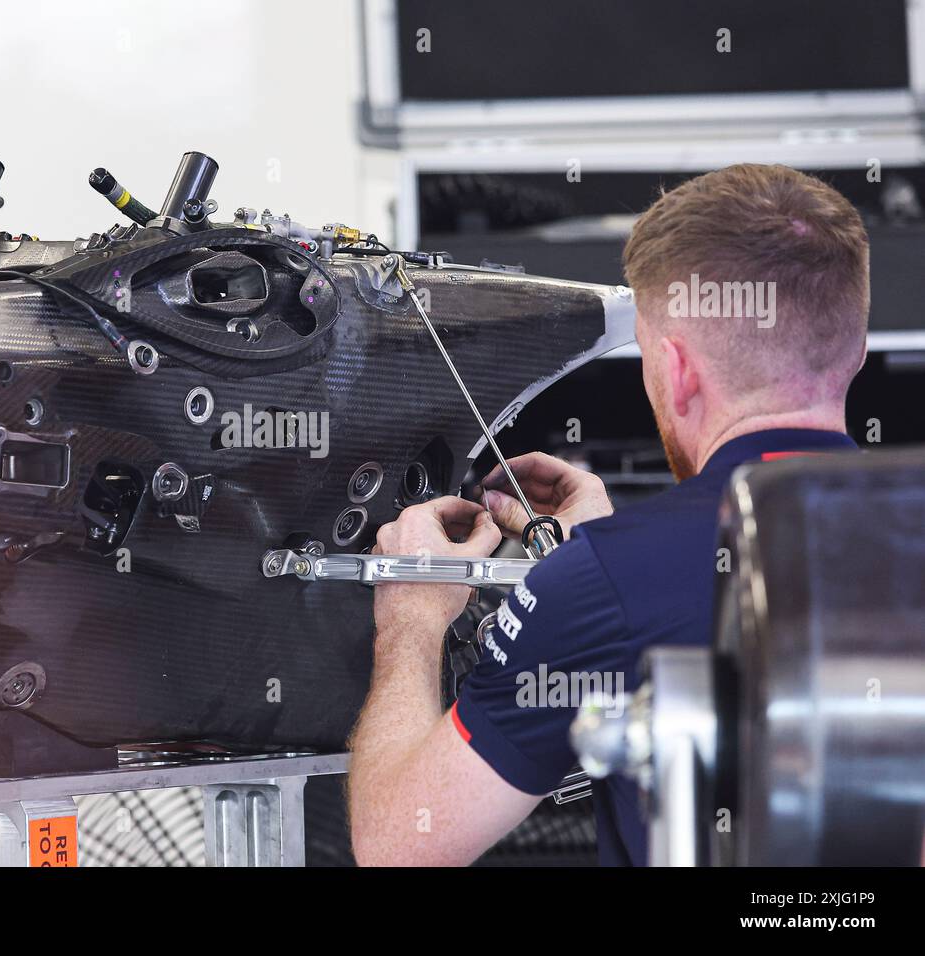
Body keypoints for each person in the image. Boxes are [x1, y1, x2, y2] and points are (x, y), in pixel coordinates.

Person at [347, 164, 869, 866]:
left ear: (678, 370)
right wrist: (604, 558)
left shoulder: (603, 583)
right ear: (857, 349)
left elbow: (396, 843)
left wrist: (410, 619)